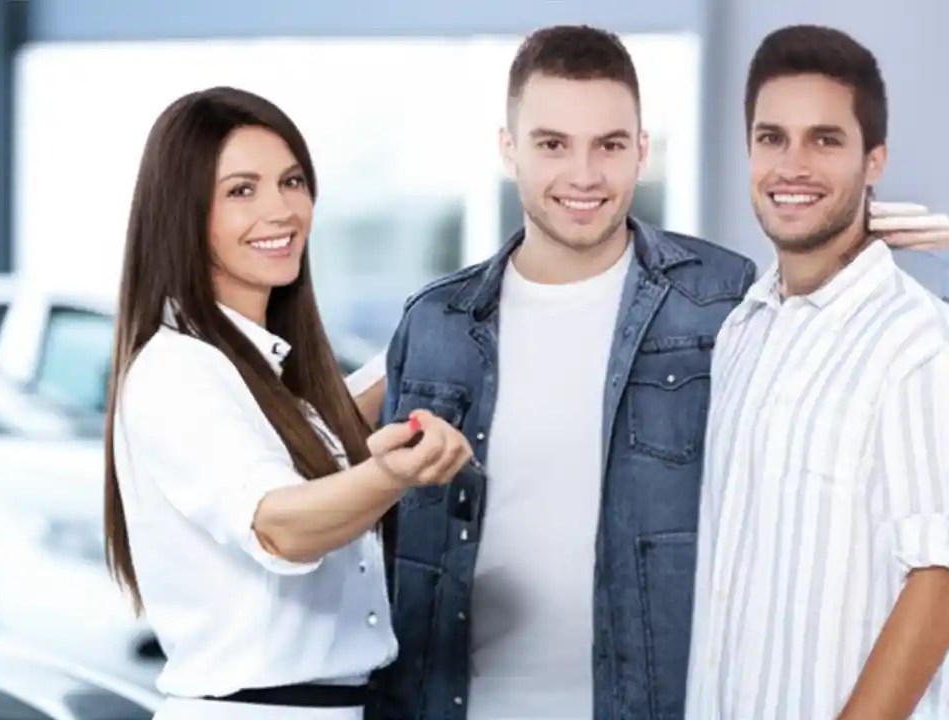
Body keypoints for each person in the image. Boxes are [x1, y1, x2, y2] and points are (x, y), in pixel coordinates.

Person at [360, 25, 949, 720]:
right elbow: (327, 466)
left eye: (609, 145)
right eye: (552, 144)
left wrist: (859, 234)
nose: (583, 176)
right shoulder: (434, 323)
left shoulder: (721, 302)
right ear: (508, 148)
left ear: (642, 151)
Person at [103, 86, 473, 720]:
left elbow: (317, 436)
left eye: (292, 181)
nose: (281, 210)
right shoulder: (177, 370)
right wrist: (391, 476)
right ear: (183, 213)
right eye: (241, 190)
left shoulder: (259, 367)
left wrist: (436, 332)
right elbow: (280, 524)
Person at [685, 25, 949, 719]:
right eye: (772, 137)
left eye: (825, 140)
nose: (792, 165)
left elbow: (940, 579)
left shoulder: (917, 339)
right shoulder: (742, 330)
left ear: (874, 161)